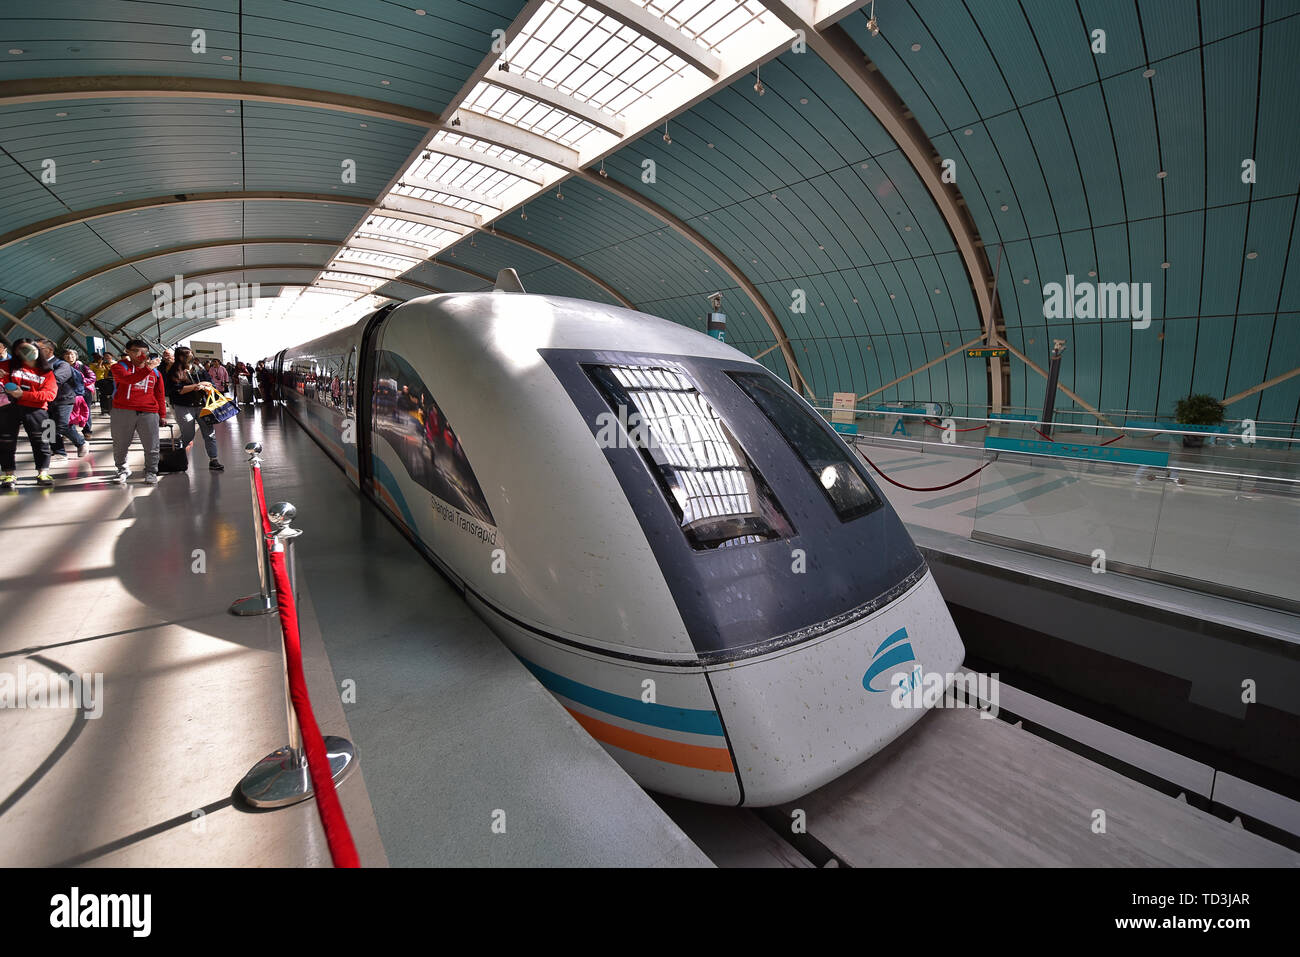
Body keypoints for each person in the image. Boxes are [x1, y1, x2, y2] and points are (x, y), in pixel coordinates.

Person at [0, 339, 58, 487]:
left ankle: (43, 473)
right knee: (6, 442)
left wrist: (23, 395)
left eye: (29, 349)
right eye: (21, 349)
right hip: (8, 409)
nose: (26, 353)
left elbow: (50, 395)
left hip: (37, 410)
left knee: (42, 441)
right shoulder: (6, 366)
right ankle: (8, 475)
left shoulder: (47, 372)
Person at [111, 339, 165, 485]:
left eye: (144, 351)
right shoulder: (119, 367)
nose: (140, 354)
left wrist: (163, 414)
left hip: (149, 412)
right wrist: (148, 369)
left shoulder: (155, 373)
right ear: (127, 352)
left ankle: (151, 471)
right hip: (122, 411)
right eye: (136, 351)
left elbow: (159, 394)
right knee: (121, 443)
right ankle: (122, 469)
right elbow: (128, 380)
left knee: (152, 445)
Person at [166, 347, 224, 472]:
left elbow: (210, 382)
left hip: (202, 405)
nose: (190, 356)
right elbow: (178, 390)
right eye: (187, 354)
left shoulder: (198, 369)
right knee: (188, 434)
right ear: (180, 357)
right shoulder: (174, 371)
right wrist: (195, 386)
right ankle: (176, 456)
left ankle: (214, 460)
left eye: (191, 354)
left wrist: (206, 386)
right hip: (183, 406)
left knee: (209, 434)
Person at [37, 339, 87, 460]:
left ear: (49, 350)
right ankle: (58, 452)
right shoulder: (36, 365)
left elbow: (55, 380)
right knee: (48, 425)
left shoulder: (61, 364)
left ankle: (81, 442)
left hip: (63, 399)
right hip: (45, 399)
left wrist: (34, 380)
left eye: (39, 349)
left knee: (61, 425)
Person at [63, 348, 96, 437]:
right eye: (67, 355)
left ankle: (87, 430)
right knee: (69, 411)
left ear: (76, 356)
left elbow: (92, 377)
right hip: (68, 392)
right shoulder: (61, 367)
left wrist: (79, 382)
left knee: (86, 410)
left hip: (84, 392)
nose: (70, 357)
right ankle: (70, 431)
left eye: (72, 355)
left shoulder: (82, 367)